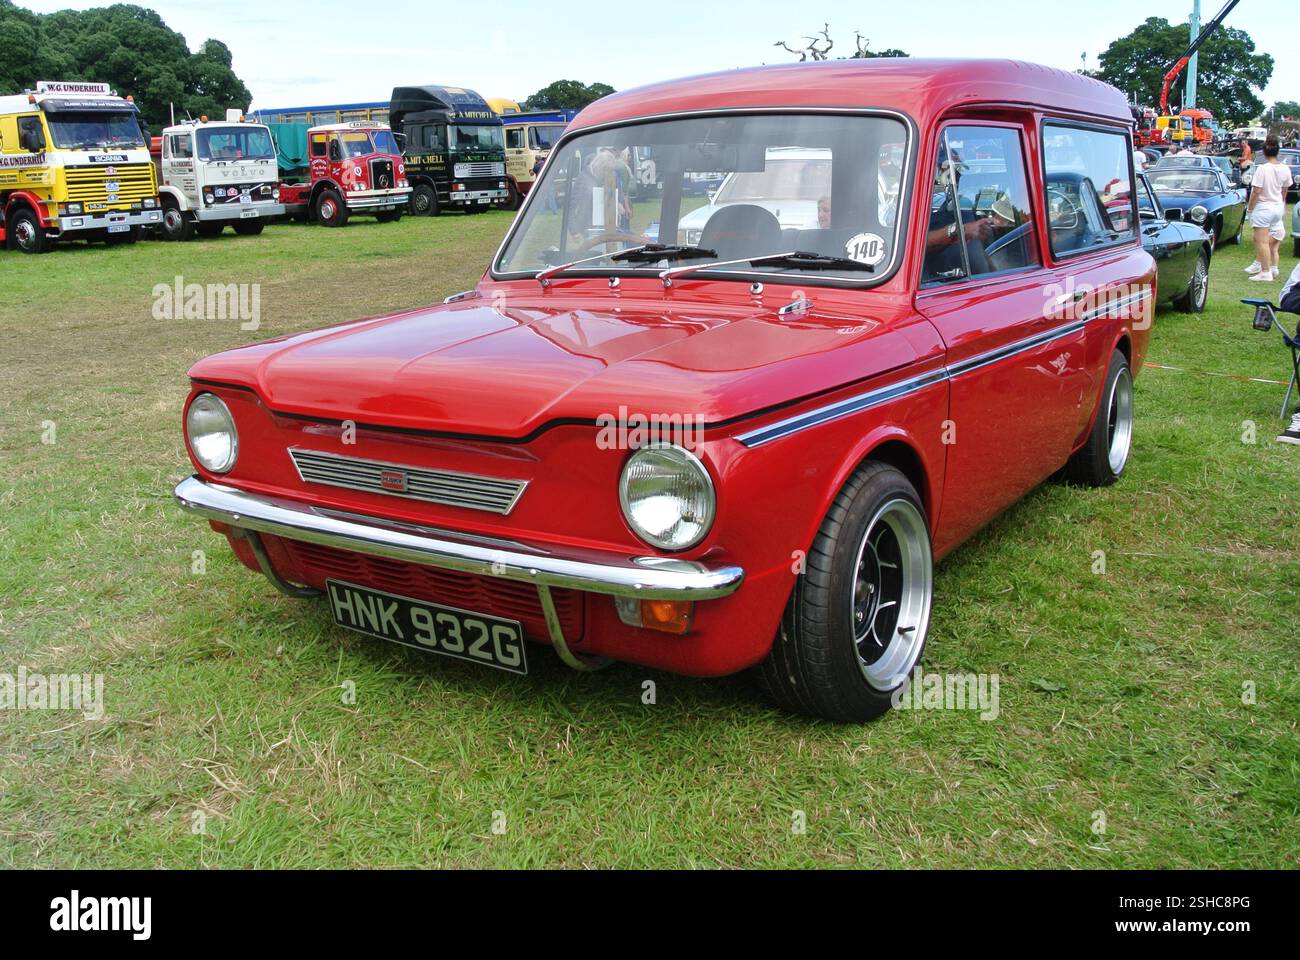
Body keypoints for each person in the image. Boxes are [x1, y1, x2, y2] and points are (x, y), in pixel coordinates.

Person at [1245, 136, 1290, 282]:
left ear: (1264, 153)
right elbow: (1284, 190)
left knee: (1262, 241)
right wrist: (1281, 203)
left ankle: (1265, 271)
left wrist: (1250, 209)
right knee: (1269, 238)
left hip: (1264, 207)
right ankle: (1271, 268)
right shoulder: (1285, 168)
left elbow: (1256, 191)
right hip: (1278, 207)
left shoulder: (1263, 169)